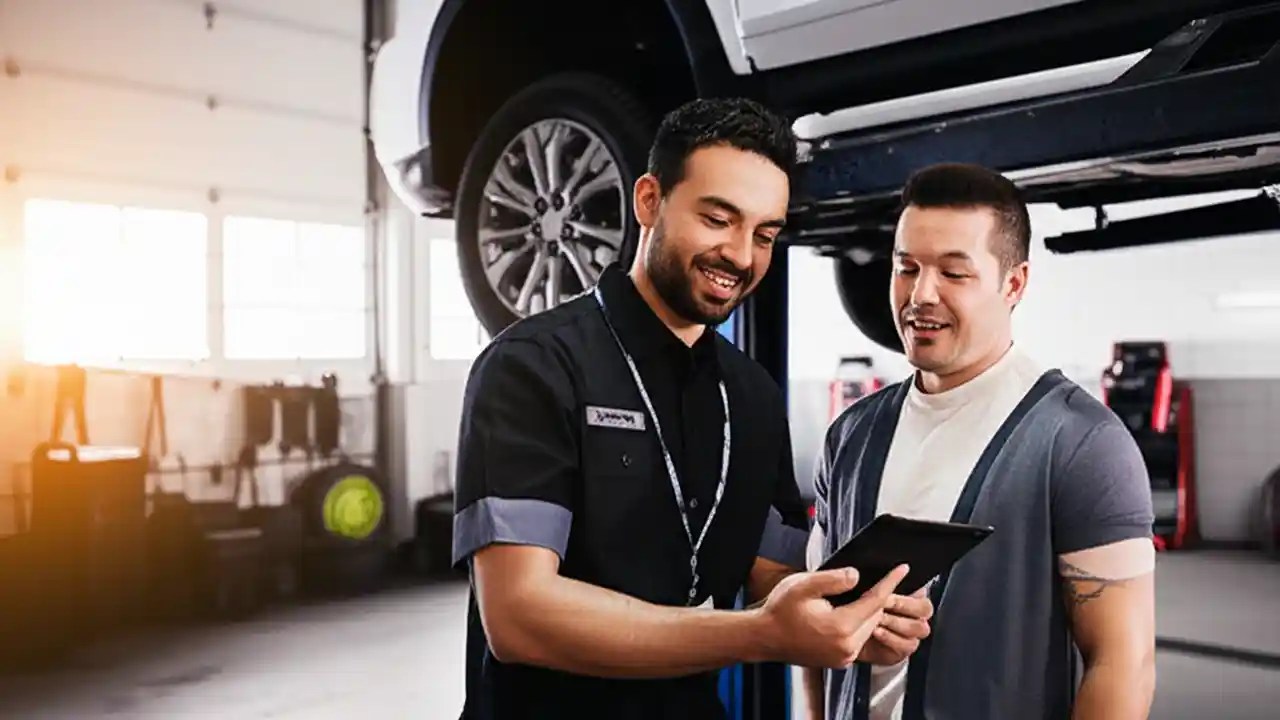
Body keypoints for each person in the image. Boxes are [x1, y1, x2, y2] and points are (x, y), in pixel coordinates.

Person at [451, 98, 931, 719]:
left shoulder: (752, 395)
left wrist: (862, 612)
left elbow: (773, 575)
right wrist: (759, 633)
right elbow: (519, 618)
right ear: (649, 201)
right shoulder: (533, 366)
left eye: (764, 233)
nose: (740, 254)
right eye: (718, 219)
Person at [803, 163, 1158, 720]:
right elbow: (816, 627)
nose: (921, 294)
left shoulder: (1081, 444)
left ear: (1014, 283)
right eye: (907, 268)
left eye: (954, 273)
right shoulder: (851, 435)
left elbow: (1122, 662)